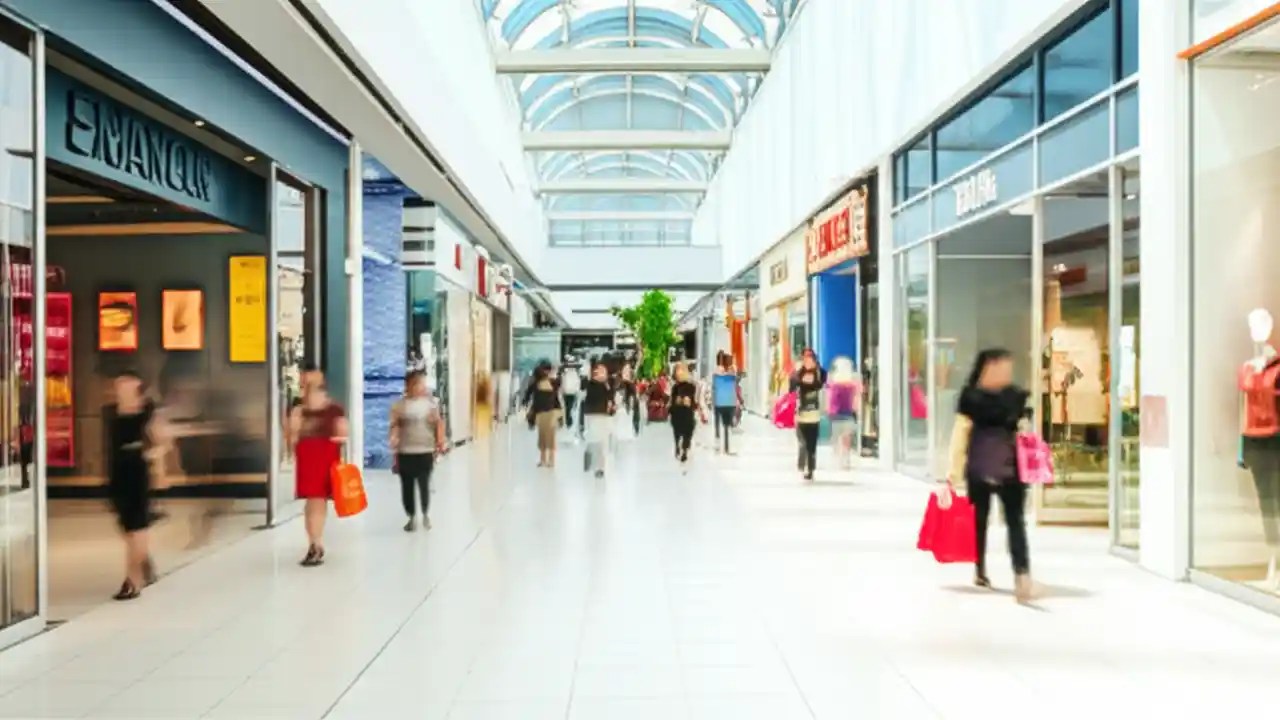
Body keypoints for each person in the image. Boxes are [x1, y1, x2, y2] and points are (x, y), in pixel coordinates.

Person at [939, 348, 1033, 603]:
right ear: (986, 368)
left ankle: (1021, 572)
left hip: (1007, 469)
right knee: (980, 521)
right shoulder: (973, 398)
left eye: (1008, 368)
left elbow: (1024, 431)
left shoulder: (1013, 396)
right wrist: (952, 474)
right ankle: (981, 568)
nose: (1006, 373)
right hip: (983, 468)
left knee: (1014, 522)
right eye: (1001, 367)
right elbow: (960, 437)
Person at [106, 370, 169, 600]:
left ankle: (133, 581)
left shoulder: (147, 413)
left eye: (126, 387)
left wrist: (154, 460)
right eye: (118, 387)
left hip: (137, 474)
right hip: (117, 475)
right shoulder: (112, 412)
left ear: (137, 388)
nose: (120, 391)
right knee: (127, 528)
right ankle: (143, 561)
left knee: (137, 527)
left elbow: (162, 442)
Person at [288, 366, 348, 567]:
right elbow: (292, 435)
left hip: (322, 458)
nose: (305, 386)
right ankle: (315, 542)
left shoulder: (331, 409)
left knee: (316, 501)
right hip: (310, 458)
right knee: (314, 502)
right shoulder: (300, 410)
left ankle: (315, 542)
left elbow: (342, 434)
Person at [390, 370, 446, 532]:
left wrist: (440, 442)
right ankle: (411, 515)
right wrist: (394, 439)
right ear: (408, 386)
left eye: (421, 384)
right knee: (407, 486)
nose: (419, 387)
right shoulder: (399, 406)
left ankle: (425, 513)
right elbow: (395, 425)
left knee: (424, 484)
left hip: (425, 450)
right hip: (405, 451)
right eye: (415, 384)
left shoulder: (431, 405)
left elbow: (438, 424)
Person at [790, 350, 828, 473]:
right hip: (801, 415)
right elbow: (791, 388)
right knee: (803, 441)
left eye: (810, 360)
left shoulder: (818, 375)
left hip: (814, 415)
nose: (808, 362)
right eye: (805, 360)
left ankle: (810, 468)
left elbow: (823, 378)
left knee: (811, 443)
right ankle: (803, 463)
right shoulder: (799, 375)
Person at [523, 361, 561, 468]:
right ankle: (543, 459)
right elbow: (528, 395)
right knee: (542, 436)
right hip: (541, 413)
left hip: (551, 413)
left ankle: (551, 460)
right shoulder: (537, 383)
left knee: (550, 437)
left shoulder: (554, 382)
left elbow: (556, 399)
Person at [827, 356, 863, 469]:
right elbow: (857, 397)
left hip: (836, 414)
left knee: (837, 436)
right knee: (846, 437)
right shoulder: (853, 383)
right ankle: (845, 458)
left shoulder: (833, 382)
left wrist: (828, 410)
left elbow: (830, 398)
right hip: (848, 413)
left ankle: (839, 458)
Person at [581, 362, 615, 478]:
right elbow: (583, 391)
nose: (601, 373)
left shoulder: (608, 385)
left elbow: (611, 398)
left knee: (602, 442)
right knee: (592, 440)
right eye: (598, 371)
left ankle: (600, 467)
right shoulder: (589, 384)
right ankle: (590, 464)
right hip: (591, 415)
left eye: (603, 371)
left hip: (603, 415)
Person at [668, 362, 702, 465]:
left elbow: (673, 401)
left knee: (680, 431)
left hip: (681, 413)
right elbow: (693, 401)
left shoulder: (678, 387)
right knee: (687, 431)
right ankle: (683, 449)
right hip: (684, 413)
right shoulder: (689, 386)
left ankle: (680, 447)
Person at [711, 354, 739, 455]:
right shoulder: (731, 373)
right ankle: (725, 447)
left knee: (720, 424)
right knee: (726, 426)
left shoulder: (717, 374)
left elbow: (714, 386)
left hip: (720, 402)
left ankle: (719, 443)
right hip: (728, 402)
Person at [559, 364, 581, 430]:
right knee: (569, 407)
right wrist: (577, 392)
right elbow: (578, 384)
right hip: (572, 393)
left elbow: (563, 383)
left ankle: (568, 421)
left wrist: (562, 391)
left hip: (566, 392)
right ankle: (569, 421)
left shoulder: (565, 374)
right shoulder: (576, 375)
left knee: (567, 407)